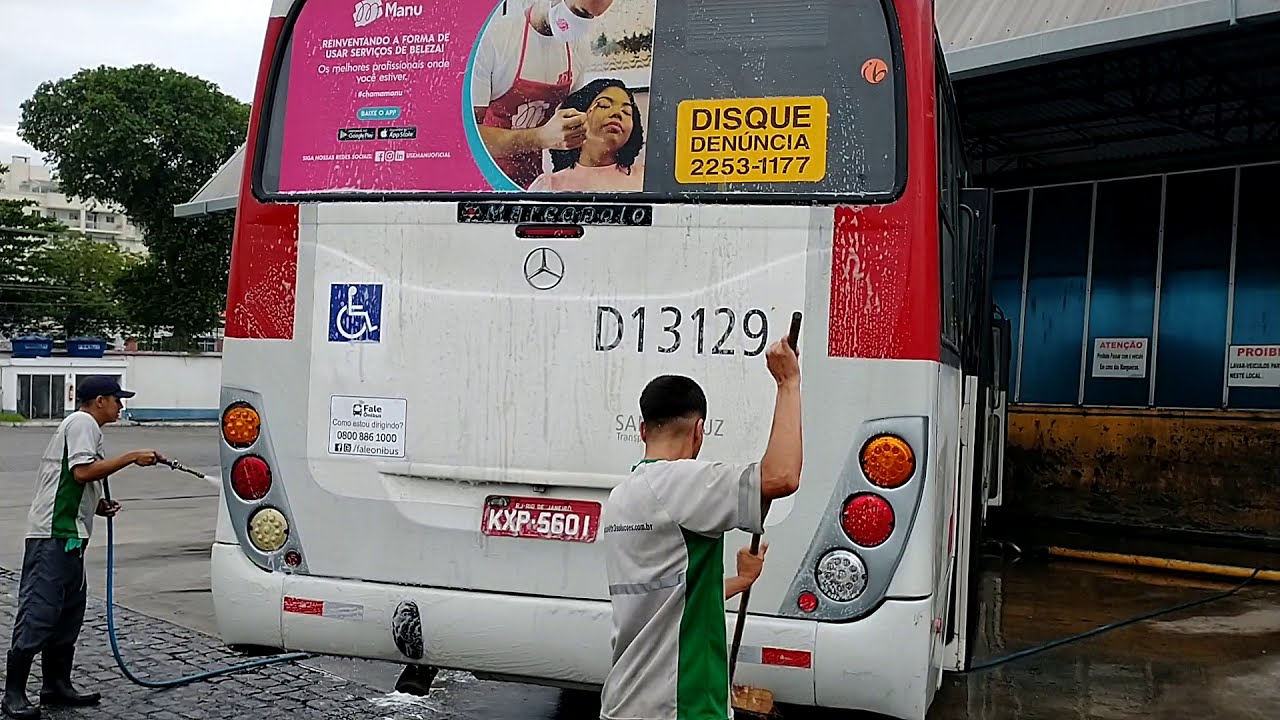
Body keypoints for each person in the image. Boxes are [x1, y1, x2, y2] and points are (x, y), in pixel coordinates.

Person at [599, 336, 803, 720]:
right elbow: (782, 477)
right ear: (699, 430)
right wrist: (788, 383)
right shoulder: (680, 483)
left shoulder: (622, 497)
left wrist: (741, 581)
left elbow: (670, 599)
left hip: (624, 704)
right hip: (681, 707)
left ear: (642, 431)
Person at [2, 376, 164, 720]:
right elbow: (81, 472)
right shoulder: (82, 423)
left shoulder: (88, 428)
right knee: (39, 610)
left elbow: (72, 481)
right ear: (100, 400)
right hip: (52, 536)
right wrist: (132, 457)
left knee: (68, 612)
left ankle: (56, 685)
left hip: (71, 536)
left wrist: (96, 506)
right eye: (117, 399)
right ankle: (13, 693)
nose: (121, 405)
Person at [471, 0, 617, 188]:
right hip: (483, 180)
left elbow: (572, 116)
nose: (583, 25)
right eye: (580, 13)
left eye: (592, 17)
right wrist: (539, 137)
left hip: (532, 181)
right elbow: (469, 137)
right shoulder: (495, 39)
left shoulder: (578, 48)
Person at [528, 78, 645, 193]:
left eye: (626, 112)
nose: (617, 113)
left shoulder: (646, 179)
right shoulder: (549, 186)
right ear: (576, 117)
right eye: (604, 105)